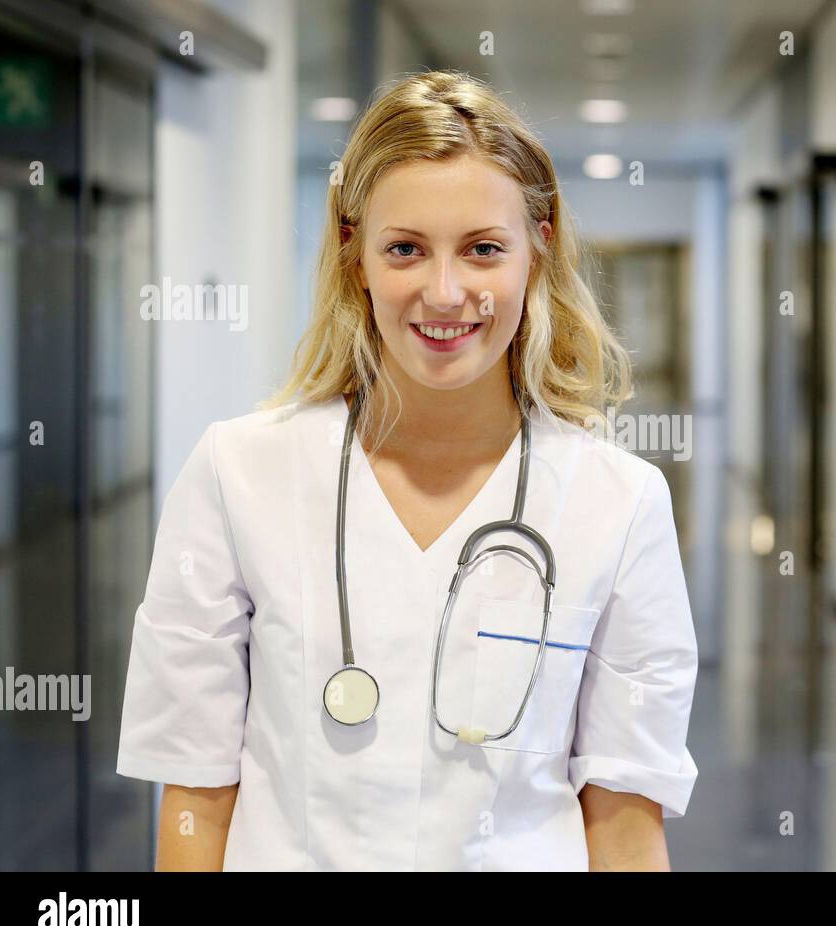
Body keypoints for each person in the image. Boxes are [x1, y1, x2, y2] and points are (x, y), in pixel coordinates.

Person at [115, 70, 699, 871]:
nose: (446, 291)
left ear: (539, 243)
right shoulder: (238, 473)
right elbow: (195, 794)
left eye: (483, 249)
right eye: (406, 249)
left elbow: (627, 825)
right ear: (354, 252)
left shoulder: (619, 503)